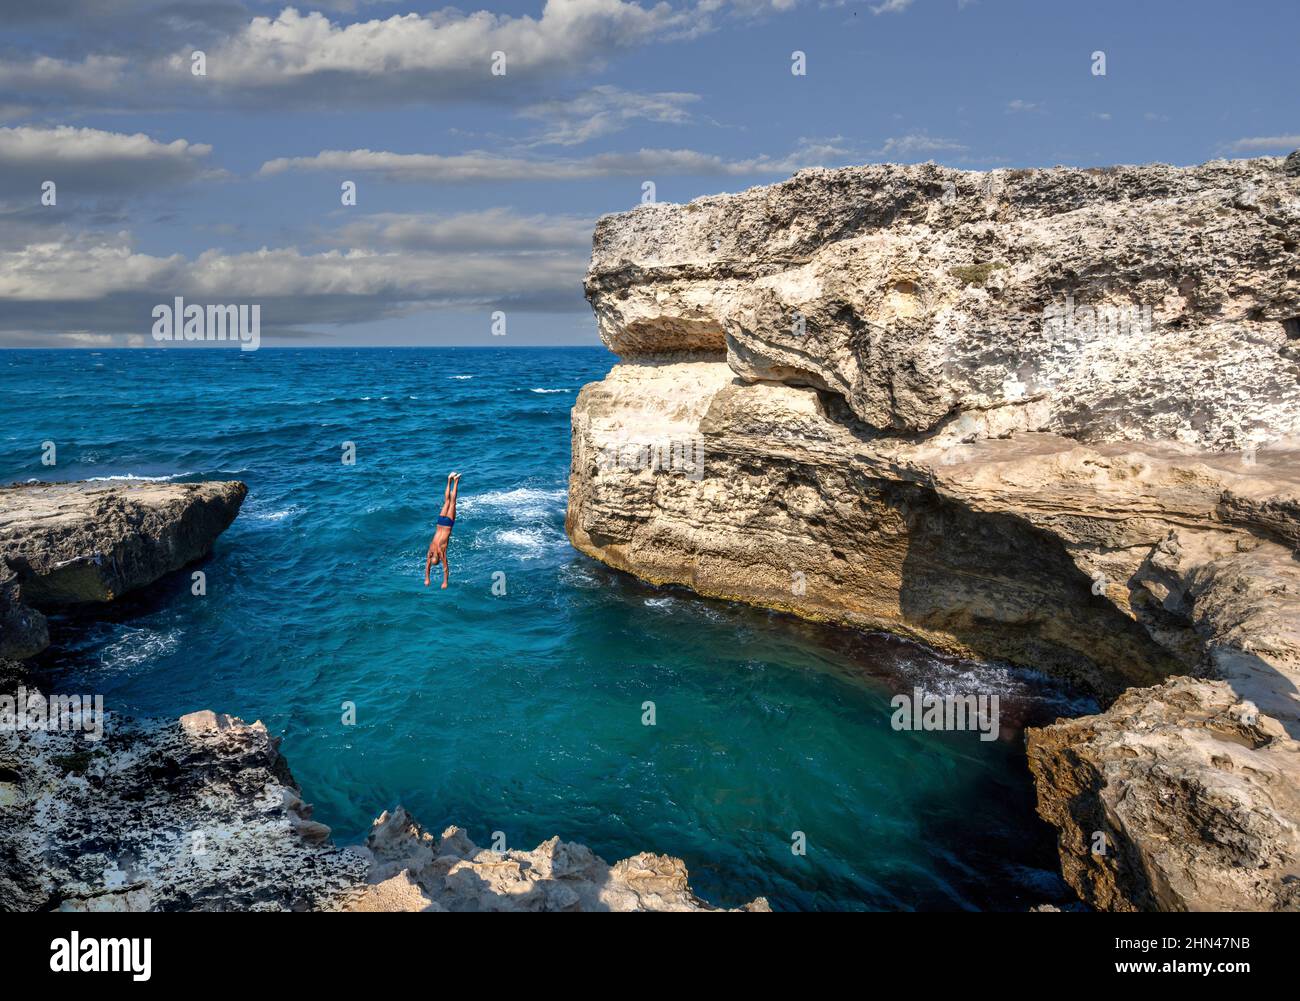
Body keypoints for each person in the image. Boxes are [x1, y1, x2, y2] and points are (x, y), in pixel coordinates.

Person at [424, 471, 460, 589]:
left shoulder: (441, 552)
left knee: (452, 502)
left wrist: (445, 582)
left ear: (438, 557)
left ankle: (456, 481)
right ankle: (449, 479)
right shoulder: (430, 550)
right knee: (447, 501)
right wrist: (427, 578)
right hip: (440, 523)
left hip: (448, 524)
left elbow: (445, 568)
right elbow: (427, 566)